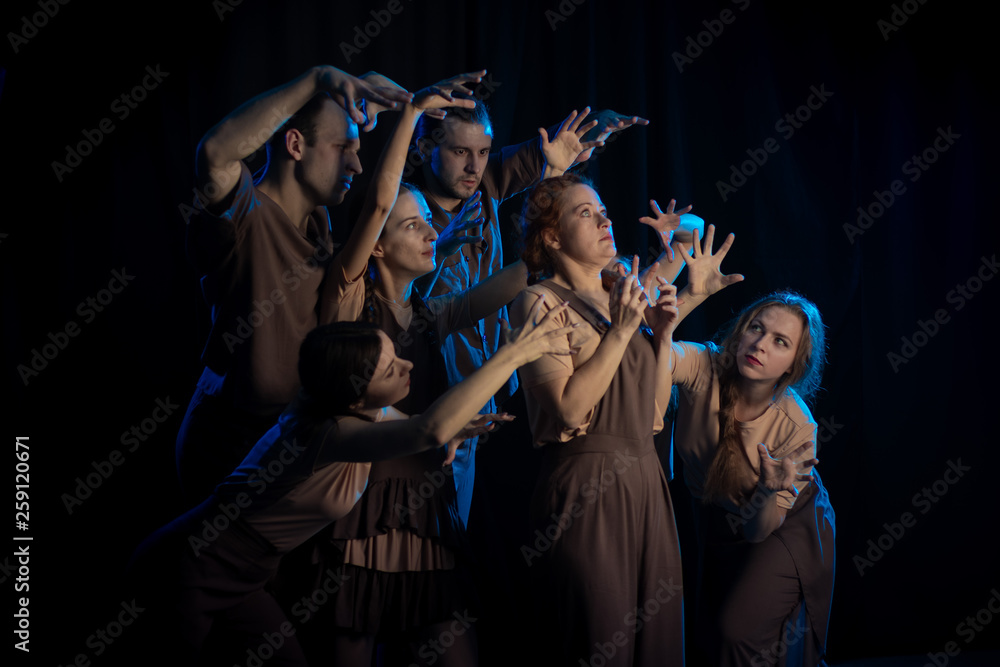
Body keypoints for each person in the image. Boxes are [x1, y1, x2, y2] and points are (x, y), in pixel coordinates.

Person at [128, 309, 575, 666]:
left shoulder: (363, 414)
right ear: (353, 398)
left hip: (248, 576)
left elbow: (425, 427)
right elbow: (428, 430)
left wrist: (462, 429)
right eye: (390, 370)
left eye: (394, 354)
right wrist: (514, 354)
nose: (409, 365)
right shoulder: (322, 432)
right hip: (190, 566)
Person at [175, 65, 413, 503]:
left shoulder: (318, 222)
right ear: (295, 144)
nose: (357, 164)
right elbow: (214, 153)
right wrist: (319, 79)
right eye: (343, 146)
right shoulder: (245, 210)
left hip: (291, 437)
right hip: (230, 441)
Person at [410, 103, 650, 526]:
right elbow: (432, 312)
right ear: (424, 147)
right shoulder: (406, 208)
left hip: (487, 402)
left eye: (483, 152)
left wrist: (582, 139)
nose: (474, 166)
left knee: (454, 539)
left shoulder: (482, 188)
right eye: (459, 152)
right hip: (429, 396)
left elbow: (545, 162)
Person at [510, 173, 691, 667]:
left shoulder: (623, 296)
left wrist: (663, 335)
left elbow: (652, 417)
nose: (604, 218)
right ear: (552, 236)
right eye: (586, 212)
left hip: (646, 482)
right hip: (584, 486)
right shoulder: (538, 301)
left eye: (604, 209)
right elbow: (568, 408)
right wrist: (623, 330)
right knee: (596, 640)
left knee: (656, 644)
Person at [663, 227, 835, 667]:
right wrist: (688, 290)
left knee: (735, 631)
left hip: (788, 525)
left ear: (793, 365)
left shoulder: (798, 427)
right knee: (704, 635)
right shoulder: (705, 363)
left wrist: (767, 489)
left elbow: (761, 529)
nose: (759, 344)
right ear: (740, 332)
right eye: (755, 328)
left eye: (779, 342)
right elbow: (652, 355)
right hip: (719, 516)